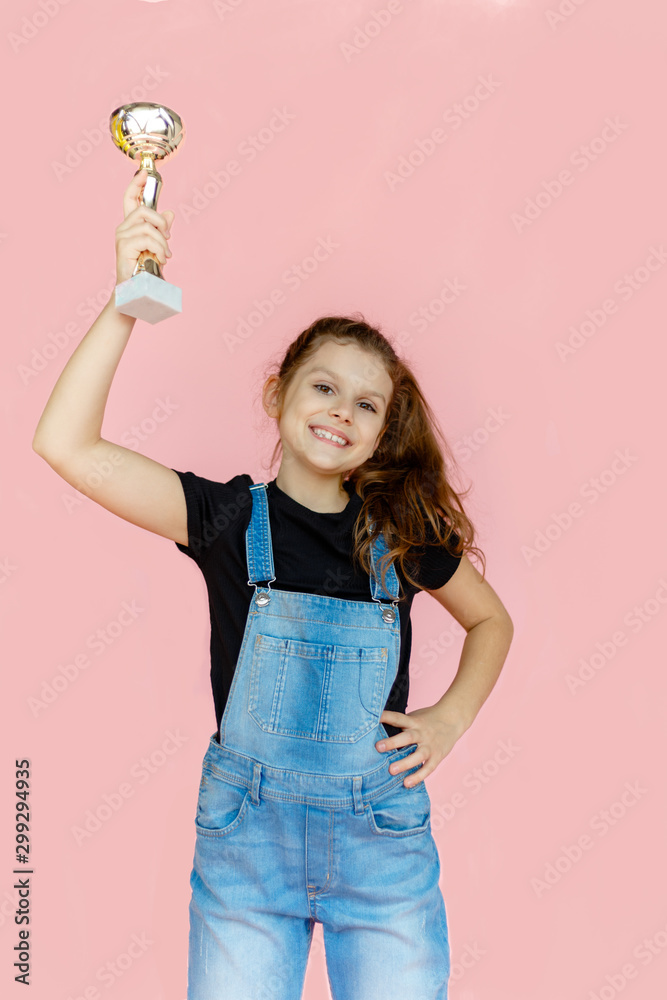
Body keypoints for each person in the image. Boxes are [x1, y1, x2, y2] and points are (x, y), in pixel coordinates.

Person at [32, 167, 514, 1000]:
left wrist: (449, 719)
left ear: (380, 432)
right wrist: (125, 301)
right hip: (246, 841)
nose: (340, 412)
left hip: (380, 841)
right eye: (323, 387)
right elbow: (66, 444)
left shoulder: (398, 537)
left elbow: (491, 623)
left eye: (367, 405)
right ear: (279, 394)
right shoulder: (221, 521)